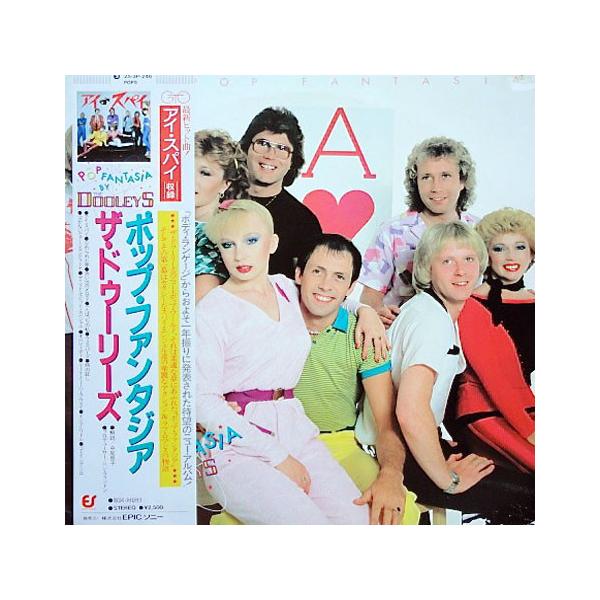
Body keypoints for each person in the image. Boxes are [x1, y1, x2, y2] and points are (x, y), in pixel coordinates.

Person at [213, 234, 420, 525]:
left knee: (396, 513)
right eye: (317, 271)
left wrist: (391, 475)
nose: (325, 285)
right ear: (298, 275)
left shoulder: (364, 335)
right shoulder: (270, 319)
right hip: (266, 441)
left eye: (339, 277)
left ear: (350, 288)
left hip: (339, 444)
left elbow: (386, 422)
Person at [195, 200, 369, 524]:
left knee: (356, 520)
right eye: (228, 245)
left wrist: (365, 311)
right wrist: (277, 457)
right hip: (234, 445)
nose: (240, 255)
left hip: (294, 429)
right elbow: (202, 401)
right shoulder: (211, 310)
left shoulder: (286, 288)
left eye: (251, 240)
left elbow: (328, 295)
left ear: (272, 243)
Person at [389, 221, 534, 524]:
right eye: (447, 261)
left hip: (418, 446)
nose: (461, 271)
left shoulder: (437, 312)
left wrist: (442, 444)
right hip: (400, 457)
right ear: (427, 269)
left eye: (468, 259)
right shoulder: (431, 322)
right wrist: (448, 481)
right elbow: (410, 411)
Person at [445, 208, 535, 473]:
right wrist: (529, 431)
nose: (511, 256)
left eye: (520, 247)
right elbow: (494, 378)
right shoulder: (470, 303)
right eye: (499, 248)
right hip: (482, 411)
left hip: (525, 406)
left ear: (532, 253)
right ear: (486, 255)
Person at [359, 136, 478, 328]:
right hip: (406, 330)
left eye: (445, 176)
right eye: (426, 177)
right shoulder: (393, 231)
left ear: (462, 180)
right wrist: (378, 314)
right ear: (416, 183)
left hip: (466, 331)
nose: (436, 187)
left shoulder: (478, 230)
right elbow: (369, 297)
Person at [239, 107, 322, 279]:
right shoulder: (217, 202)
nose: (270, 155)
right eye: (262, 144)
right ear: (246, 149)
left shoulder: (304, 221)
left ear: (292, 161)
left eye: (282, 148)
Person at [193, 129, 249, 303]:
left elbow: (199, 303)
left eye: (205, 173)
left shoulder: (217, 235)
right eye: (185, 170)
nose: (191, 180)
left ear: (225, 184)